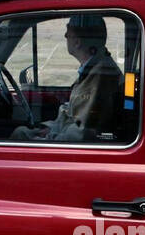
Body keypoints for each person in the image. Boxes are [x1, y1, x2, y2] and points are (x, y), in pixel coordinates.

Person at [11, 14, 122, 142]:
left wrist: (51, 136)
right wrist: (50, 129)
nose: (65, 36)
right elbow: (72, 113)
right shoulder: (93, 69)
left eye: (68, 32)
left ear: (77, 42)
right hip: (66, 135)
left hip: (72, 146)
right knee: (21, 132)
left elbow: (82, 132)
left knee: (19, 135)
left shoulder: (101, 76)